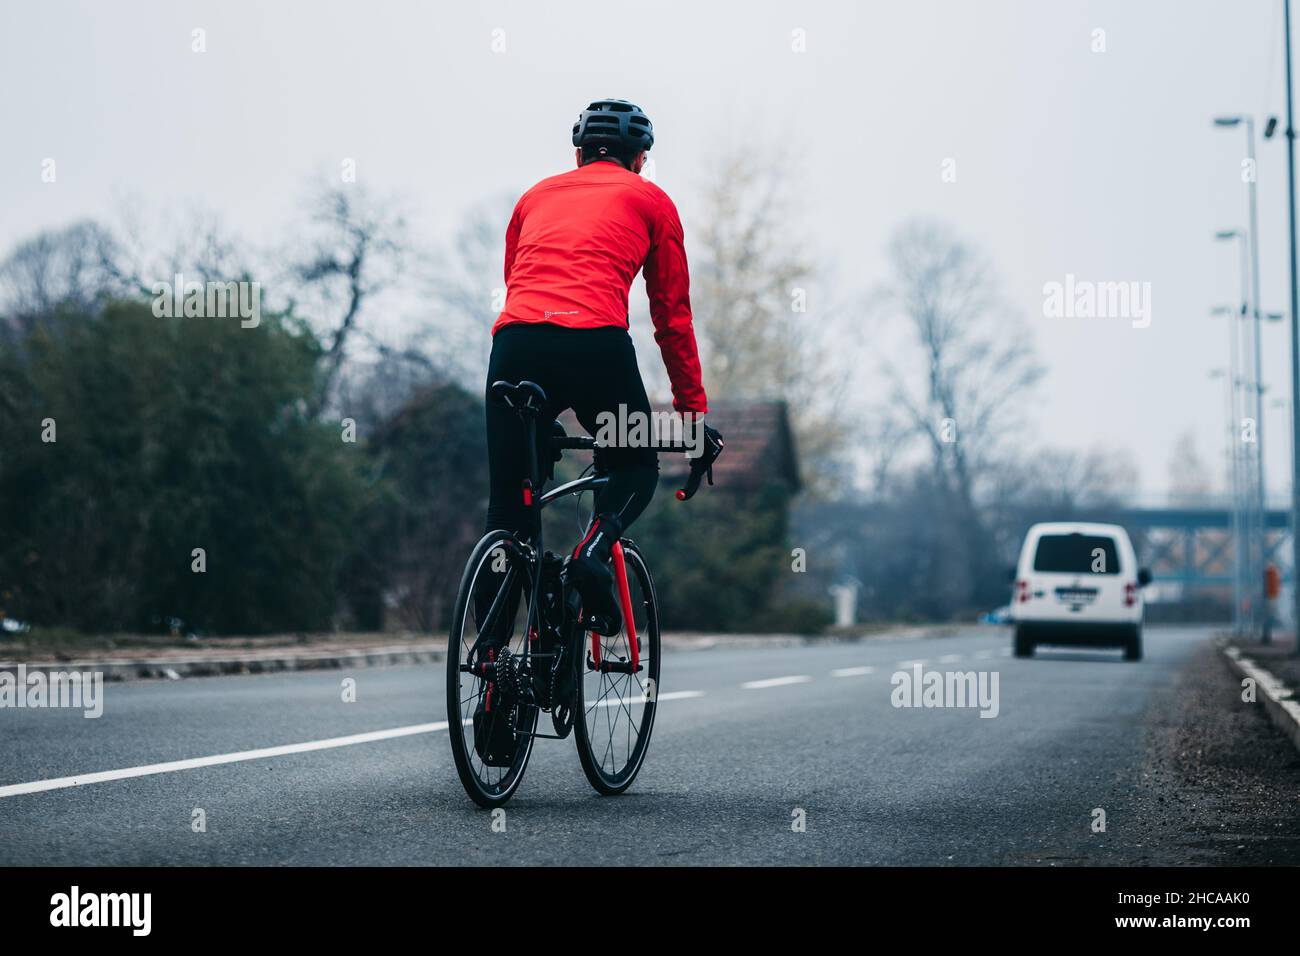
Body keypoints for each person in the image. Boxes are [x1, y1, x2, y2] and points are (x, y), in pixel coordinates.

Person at [484, 98, 721, 636]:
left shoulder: (533, 198)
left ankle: (493, 681)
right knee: (635, 462)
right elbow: (672, 318)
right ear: (640, 161)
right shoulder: (652, 200)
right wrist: (693, 418)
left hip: (516, 344)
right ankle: (590, 552)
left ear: (578, 154)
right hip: (596, 347)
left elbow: (517, 280)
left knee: (509, 508)